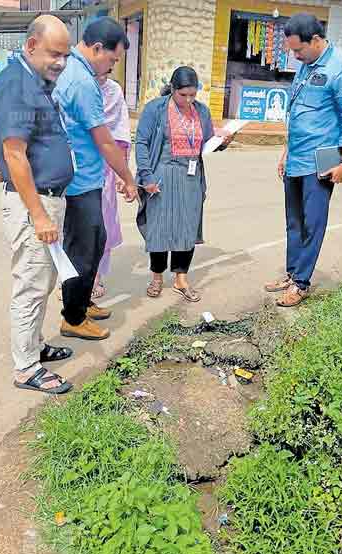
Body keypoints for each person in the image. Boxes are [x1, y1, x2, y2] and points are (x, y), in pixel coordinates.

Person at [0, 15, 76, 394]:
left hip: (43, 197)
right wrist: (37, 214)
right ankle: (26, 369)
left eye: (65, 55)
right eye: (54, 53)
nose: (60, 62)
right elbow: (15, 151)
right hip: (34, 205)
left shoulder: (33, 83)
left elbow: (20, 145)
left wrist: (7, 162)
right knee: (31, 285)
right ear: (31, 45)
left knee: (43, 281)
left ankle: (35, 347)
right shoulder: (18, 86)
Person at [51, 17, 139, 341]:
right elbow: (105, 140)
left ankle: (83, 302)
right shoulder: (81, 82)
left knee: (96, 242)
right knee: (82, 251)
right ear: (97, 48)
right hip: (78, 180)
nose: (113, 65)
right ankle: (73, 319)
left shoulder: (74, 72)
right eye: (113, 59)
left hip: (86, 177)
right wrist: (128, 178)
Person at [266, 13, 342, 307]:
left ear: (316, 41)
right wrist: (285, 151)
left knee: (312, 223)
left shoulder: (341, 66)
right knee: (293, 222)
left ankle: (302, 283)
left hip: (322, 159)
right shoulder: (306, 67)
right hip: (296, 157)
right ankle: (293, 272)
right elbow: (298, 113)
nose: (295, 56)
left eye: (299, 50)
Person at [133, 66, 233, 302]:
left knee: (187, 228)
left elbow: (208, 144)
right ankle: (156, 277)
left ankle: (180, 278)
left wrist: (223, 141)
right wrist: (146, 176)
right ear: (173, 89)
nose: (188, 100)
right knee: (160, 227)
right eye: (183, 95)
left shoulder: (202, 111)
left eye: (192, 95)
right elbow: (142, 143)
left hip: (191, 177)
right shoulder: (155, 109)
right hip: (162, 174)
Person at [94, 71, 131, 301]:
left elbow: (120, 131)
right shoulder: (72, 83)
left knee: (101, 223)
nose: (109, 69)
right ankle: (69, 278)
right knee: (72, 225)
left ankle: (95, 277)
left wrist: (122, 173)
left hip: (106, 167)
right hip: (75, 166)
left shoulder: (114, 91)